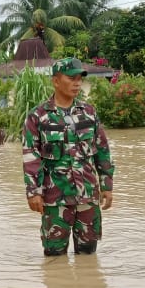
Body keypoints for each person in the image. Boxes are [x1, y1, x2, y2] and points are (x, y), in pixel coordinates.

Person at [23, 57, 115, 256]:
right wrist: (33, 191)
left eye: (80, 78)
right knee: (54, 257)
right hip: (55, 199)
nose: (77, 83)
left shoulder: (89, 113)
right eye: (71, 78)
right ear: (56, 81)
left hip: (88, 197)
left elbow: (102, 150)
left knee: (88, 256)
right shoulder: (37, 116)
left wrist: (107, 185)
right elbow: (31, 156)